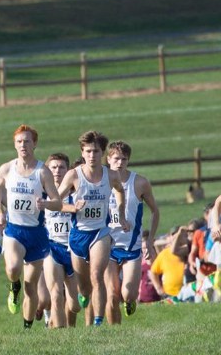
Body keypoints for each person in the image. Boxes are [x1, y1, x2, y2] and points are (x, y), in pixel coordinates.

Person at [0, 124, 64, 329]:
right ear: (15, 145)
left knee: (31, 287)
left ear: (35, 144)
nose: (23, 145)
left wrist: (45, 203)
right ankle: (14, 285)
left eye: (27, 141)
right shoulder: (7, 168)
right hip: (14, 230)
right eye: (19, 142)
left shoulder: (43, 171)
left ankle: (27, 327)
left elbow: (58, 202)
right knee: (13, 268)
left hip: (37, 234)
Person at [53, 130, 130, 327]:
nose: (91, 155)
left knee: (97, 275)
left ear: (102, 152)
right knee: (85, 287)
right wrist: (71, 207)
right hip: (78, 235)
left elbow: (120, 191)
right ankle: (84, 294)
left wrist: (121, 215)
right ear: (82, 152)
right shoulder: (73, 175)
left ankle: (98, 322)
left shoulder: (111, 175)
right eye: (87, 151)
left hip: (100, 232)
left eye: (96, 151)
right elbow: (56, 202)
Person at [105, 141, 160, 322]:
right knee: (112, 295)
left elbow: (155, 211)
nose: (120, 163)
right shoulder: (100, 181)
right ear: (108, 159)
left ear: (128, 161)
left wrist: (150, 241)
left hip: (132, 246)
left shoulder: (140, 182)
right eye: (116, 159)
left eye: (124, 159)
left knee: (127, 294)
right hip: (107, 245)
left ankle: (130, 301)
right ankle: (115, 332)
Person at [42, 153, 81, 328]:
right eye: (53, 167)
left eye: (61, 167)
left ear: (68, 170)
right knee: (56, 293)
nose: (57, 171)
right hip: (51, 248)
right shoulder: (42, 195)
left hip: (73, 250)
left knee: (74, 305)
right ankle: (58, 332)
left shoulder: (77, 195)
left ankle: (62, 326)